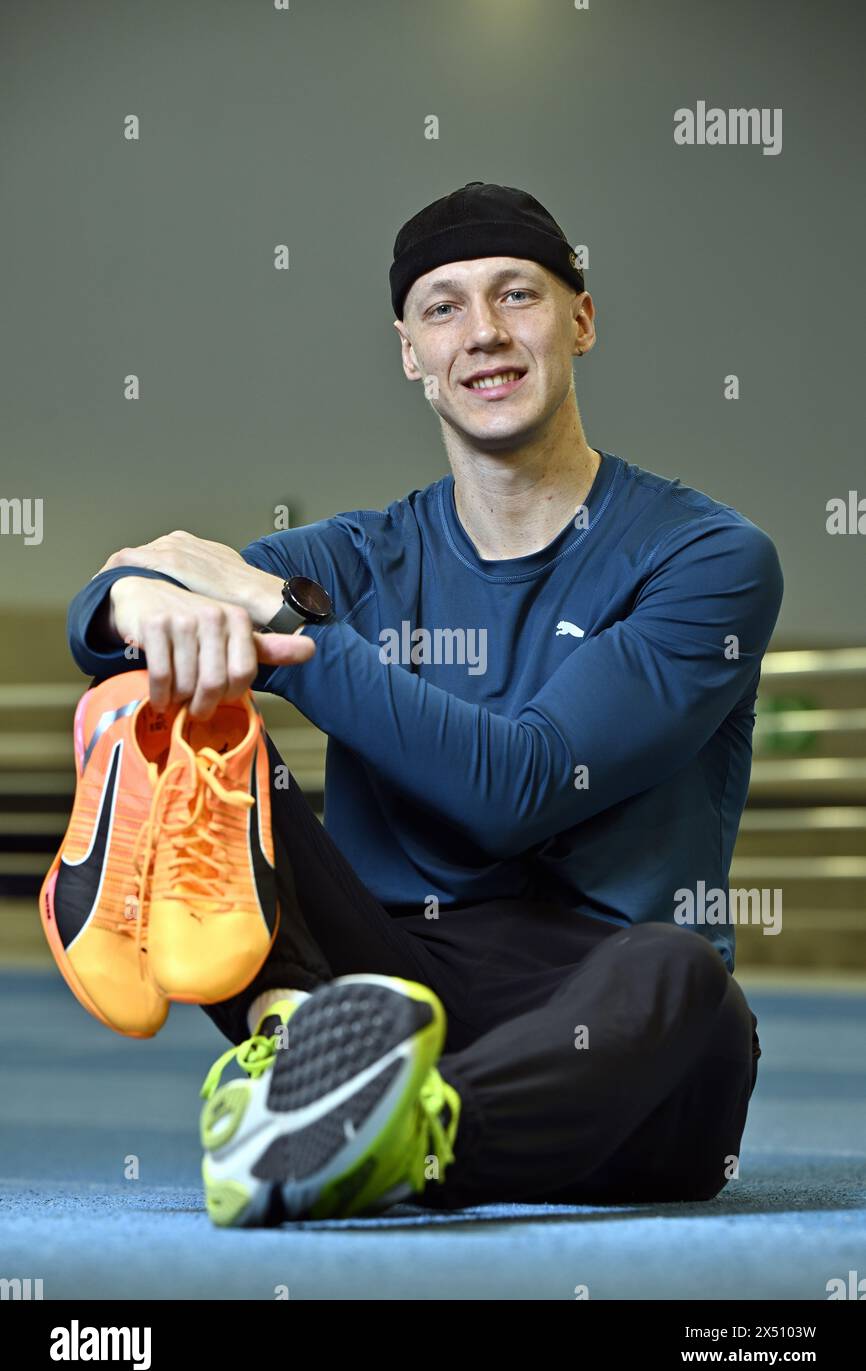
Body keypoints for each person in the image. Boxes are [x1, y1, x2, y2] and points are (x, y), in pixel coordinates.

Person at [65, 181, 783, 1225]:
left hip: (611, 1026)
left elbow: (519, 784)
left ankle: (397, 1129)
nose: (482, 334)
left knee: (687, 986)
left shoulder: (705, 557)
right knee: (165, 715)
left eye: (516, 297)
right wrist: (130, 594)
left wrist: (281, 626)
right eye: (442, 308)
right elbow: (116, 608)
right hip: (382, 983)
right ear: (408, 352)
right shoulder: (360, 554)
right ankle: (302, 1052)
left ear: (579, 319)